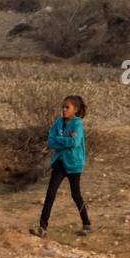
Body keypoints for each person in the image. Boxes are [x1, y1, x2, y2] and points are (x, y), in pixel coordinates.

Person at [31, 95, 90, 237]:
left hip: (74, 163)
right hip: (60, 162)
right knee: (50, 193)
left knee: (76, 194)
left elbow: (75, 143)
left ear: (75, 110)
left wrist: (60, 140)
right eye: (63, 107)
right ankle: (42, 227)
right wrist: (65, 139)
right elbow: (50, 141)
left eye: (67, 107)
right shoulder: (58, 123)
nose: (64, 110)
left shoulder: (77, 124)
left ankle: (86, 223)